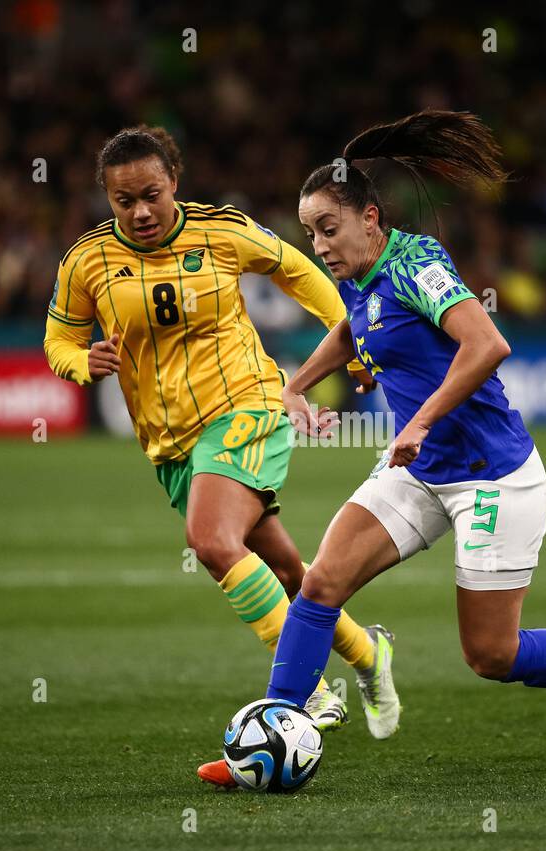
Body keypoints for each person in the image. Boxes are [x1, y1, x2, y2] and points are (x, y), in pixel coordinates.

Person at [200, 111, 546, 788]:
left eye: (328, 230)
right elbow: (351, 327)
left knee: (491, 654)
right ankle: (270, 736)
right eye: (309, 233)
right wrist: (297, 385)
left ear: (371, 218)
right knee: (320, 584)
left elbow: (487, 345)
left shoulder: (418, 262)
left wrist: (419, 420)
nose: (320, 245)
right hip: (418, 472)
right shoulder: (356, 273)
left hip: (492, 477)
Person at [44, 125, 402, 741]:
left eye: (151, 194)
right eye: (123, 201)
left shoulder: (222, 230)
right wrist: (82, 363)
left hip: (247, 406)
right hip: (171, 444)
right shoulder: (87, 260)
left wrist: (354, 340)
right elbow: (59, 339)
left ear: (174, 183)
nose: (141, 211)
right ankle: (369, 655)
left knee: (209, 540)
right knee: (291, 573)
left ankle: (306, 692)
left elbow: (299, 272)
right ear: (108, 200)